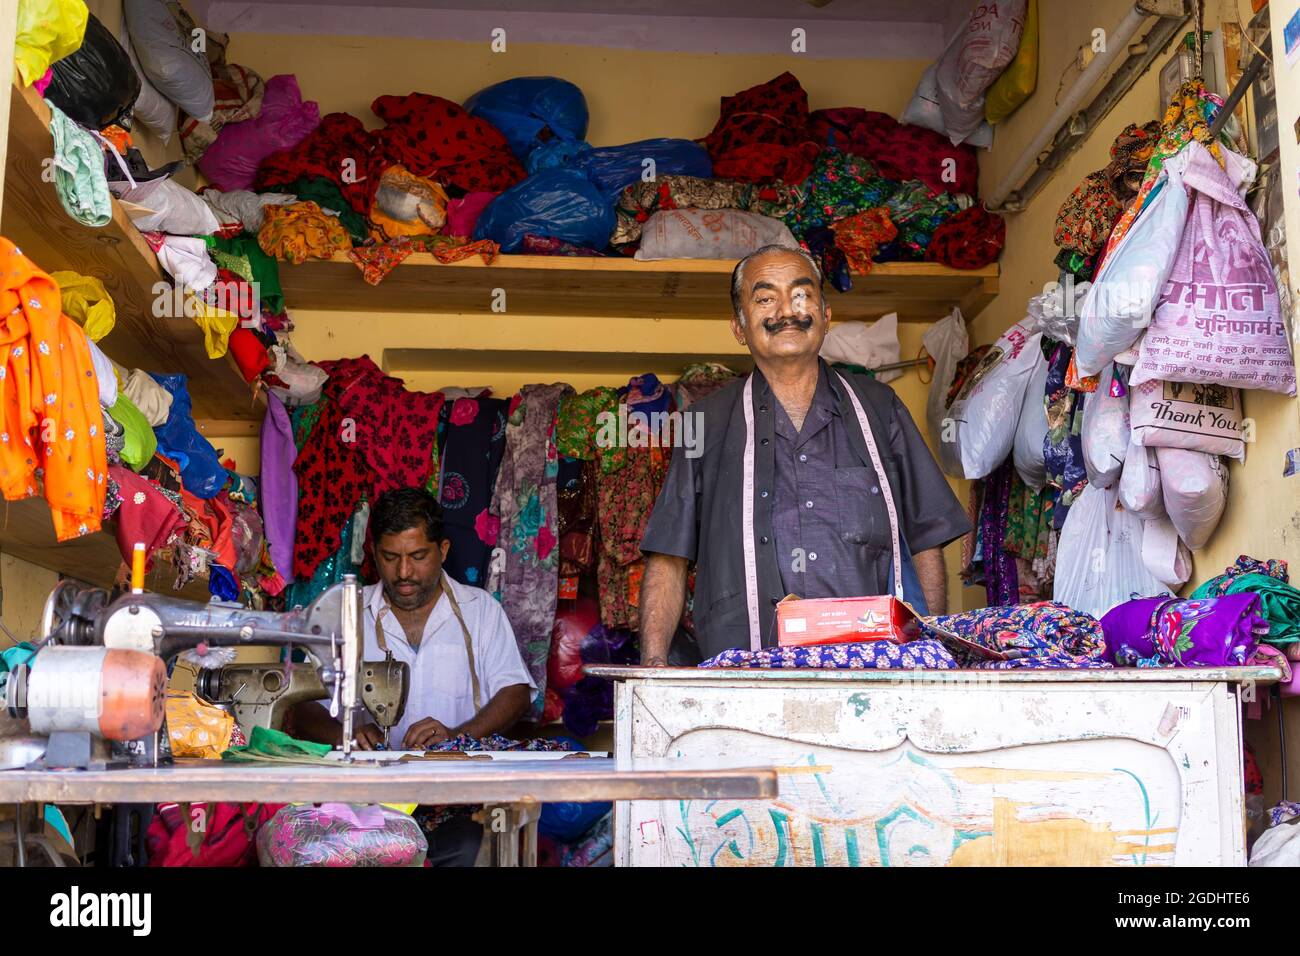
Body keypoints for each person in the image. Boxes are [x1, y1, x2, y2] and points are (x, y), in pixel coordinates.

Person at [638, 244, 971, 665]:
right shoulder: (705, 423)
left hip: (872, 667)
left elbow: (925, 540)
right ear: (739, 328)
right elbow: (670, 556)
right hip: (743, 670)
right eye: (764, 298)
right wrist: (652, 668)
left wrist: (927, 657)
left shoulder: (878, 409)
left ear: (826, 317)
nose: (786, 310)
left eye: (801, 294)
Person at [291, 486, 534, 865]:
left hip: (456, 797)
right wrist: (347, 735)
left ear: (443, 551)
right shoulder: (346, 617)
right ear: (374, 555)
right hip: (365, 799)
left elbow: (515, 691)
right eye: (391, 557)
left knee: (466, 848)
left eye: (418, 556)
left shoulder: (480, 610)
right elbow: (302, 707)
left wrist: (458, 737)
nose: (404, 572)